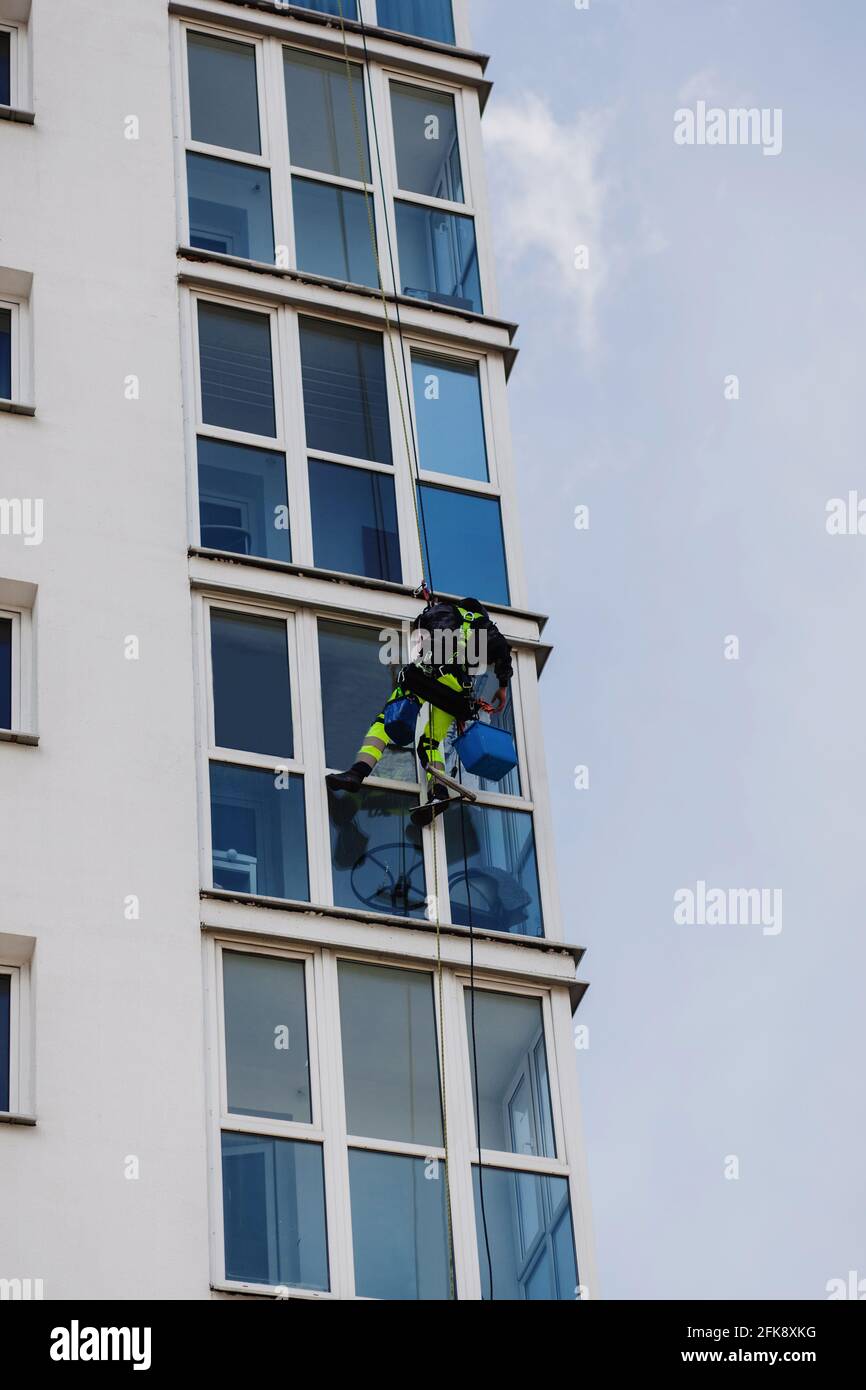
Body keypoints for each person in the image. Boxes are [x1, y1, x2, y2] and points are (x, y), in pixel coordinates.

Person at [326, 594, 513, 818]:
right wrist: (502, 686)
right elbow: (502, 649)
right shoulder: (483, 626)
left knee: (386, 720)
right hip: (455, 691)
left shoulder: (446, 611)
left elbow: (422, 630)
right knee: (431, 742)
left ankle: (357, 773)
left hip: (426, 677)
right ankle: (439, 793)